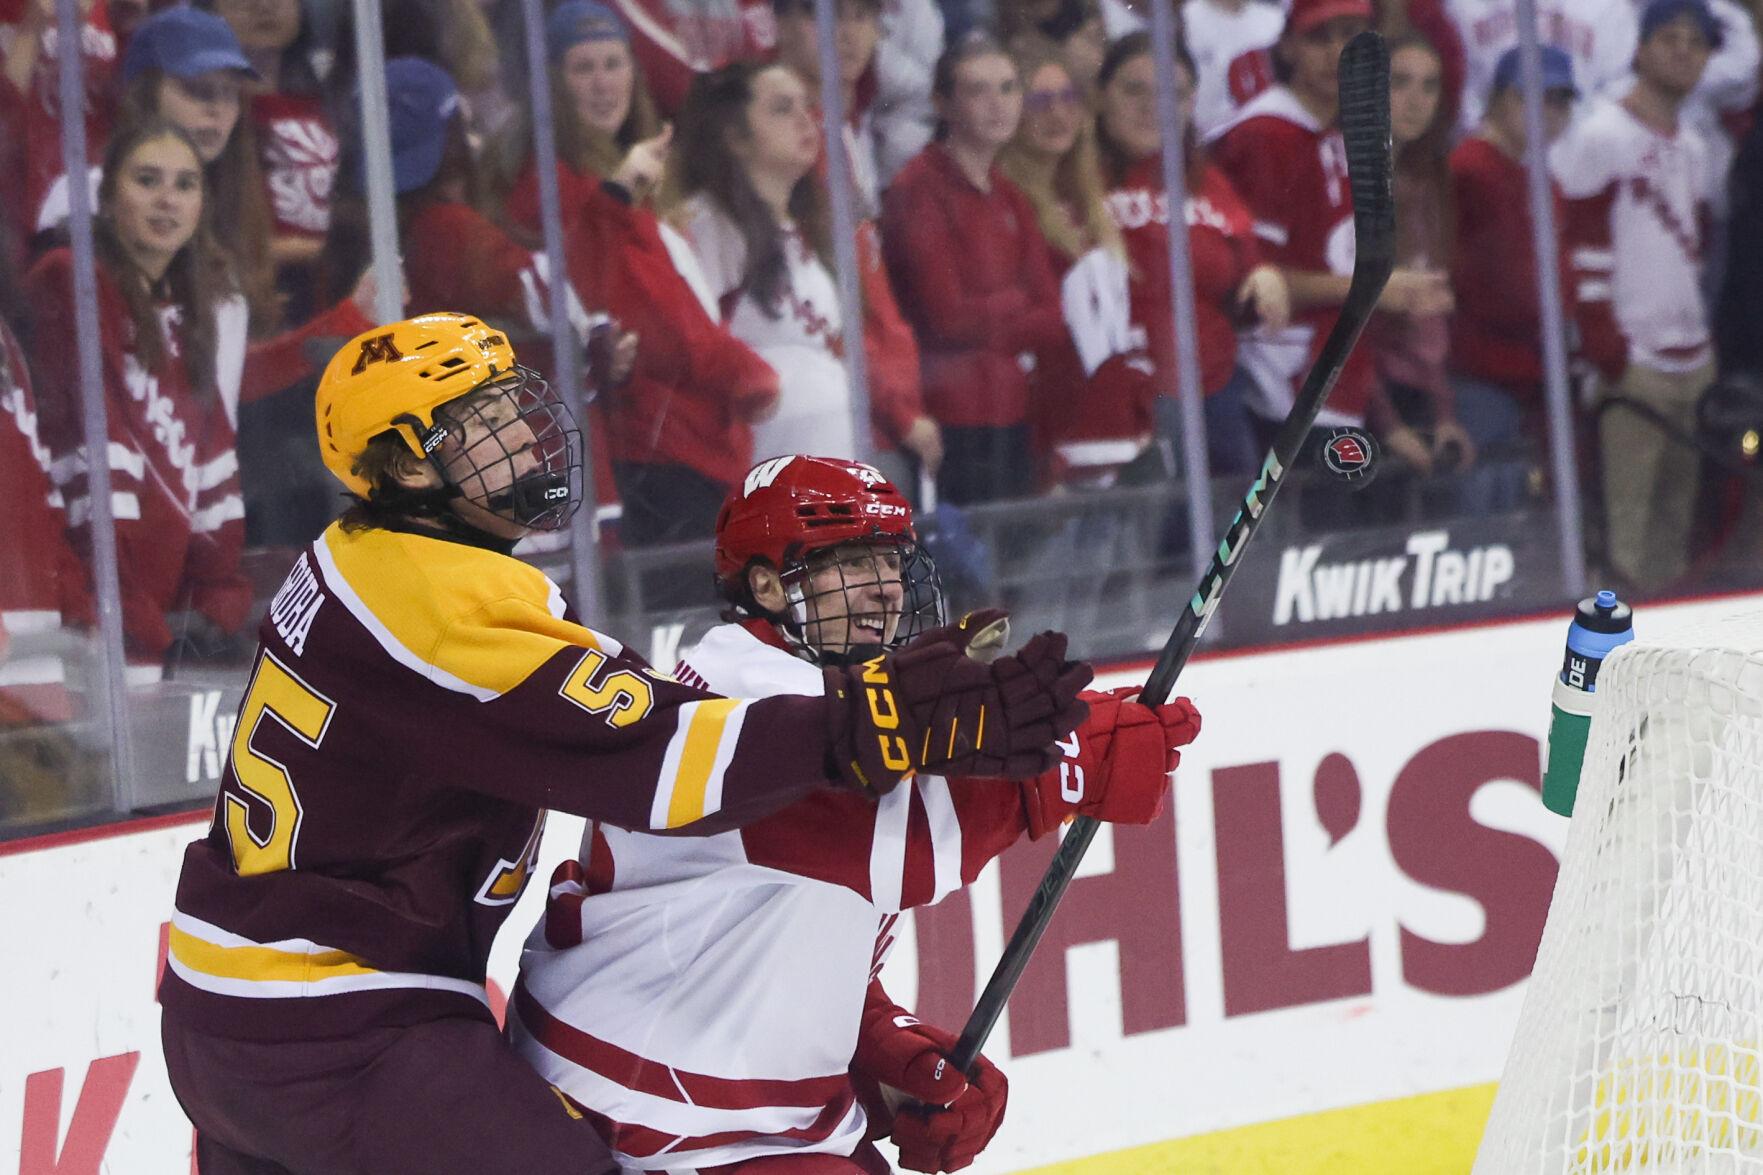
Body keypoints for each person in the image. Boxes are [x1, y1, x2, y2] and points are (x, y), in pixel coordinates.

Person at [157, 315, 1093, 1175]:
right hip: (337, 1030)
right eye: (484, 422)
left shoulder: (354, 554)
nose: (525, 431)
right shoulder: (442, 603)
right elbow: (659, 757)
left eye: (514, 403)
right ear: (405, 468)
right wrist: (875, 717)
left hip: (228, 1015)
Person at [509, 454, 1202, 1174]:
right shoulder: (744, 698)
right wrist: (1067, 766)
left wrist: (878, 1039)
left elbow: (776, 922)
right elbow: (908, 842)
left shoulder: (837, 700)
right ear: (767, 586)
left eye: (890, 560)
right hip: (644, 1118)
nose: (885, 587)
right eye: (848, 563)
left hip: (680, 1096)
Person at [25, 118, 255, 675]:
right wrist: (122, 612)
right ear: (107, 197)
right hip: (84, 619)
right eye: (147, 180)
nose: (167, 200)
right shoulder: (70, 280)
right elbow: (82, 461)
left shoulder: (189, 312)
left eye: (185, 184)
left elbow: (211, 469)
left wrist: (213, 606)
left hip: (153, 623)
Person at [1212, 0, 1435, 451]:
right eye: (1319, 38)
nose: (1337, 53)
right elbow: (1254, 280)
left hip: (1337, 386)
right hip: (1279, 390)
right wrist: (1376, 288)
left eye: (1351, 35)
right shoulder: (1263, 135)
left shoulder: (1343, 132)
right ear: (1288, 47)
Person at [1557, 0, 1722, 590]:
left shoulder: (1697, 145)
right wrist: (1605, 347)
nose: (1683, 51)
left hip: (1691, 356)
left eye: (1696, 43)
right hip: (1634, 359)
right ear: (1641, 47)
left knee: (1676, 532)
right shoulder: (1602, 133)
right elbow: (1578, 247)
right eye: (1670, 38)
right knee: (1625, 536)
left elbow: (1697, 249)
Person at [1094, 33, 1290, 481]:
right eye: (1134, 90)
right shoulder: (1081, 176)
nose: (1152, 106)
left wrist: (1264, 276)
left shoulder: (1203, 178)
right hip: (1127, 397)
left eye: (1172, 93)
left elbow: (1247, 259)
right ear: (1101, 95)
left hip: (1214, 391)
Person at [881, 34, 1065, 505]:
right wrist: (1017, 302)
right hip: (950, 418)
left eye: (1007, 88)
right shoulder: (917, 190)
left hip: (1014, 412)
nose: (997, 104)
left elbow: (1052, 315)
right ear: (943, 103)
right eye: (978, 90)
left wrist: (995, 312)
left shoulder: (1011, 197)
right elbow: (947, 317)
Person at [671, 61, 856, 459]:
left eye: (806, 106)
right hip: (754, 470)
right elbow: (691, 352)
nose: (805, 120)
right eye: (782, 108)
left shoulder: (806, 231)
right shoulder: (708, 226)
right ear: (735, 137)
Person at [1448, 43, 1578, 509]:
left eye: (1561, 101)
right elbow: (1473, 279)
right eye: (1539, 98)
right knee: (1479, 512)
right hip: (1477, 371)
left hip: (1528, 371)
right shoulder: (1468, 169)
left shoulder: (1543, 179)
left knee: (1515, 507)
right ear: (1504, 98)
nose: (1552, 113)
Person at [1364, 31, 1476, 484]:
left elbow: (1433, 318)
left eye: (1429, 86)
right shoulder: (1348, 177)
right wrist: (1387, 425)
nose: (1416, 101)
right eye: (1400, 83)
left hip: (1413, 397)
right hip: (1355, 403)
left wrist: (1443, 414)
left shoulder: (1431, 179)